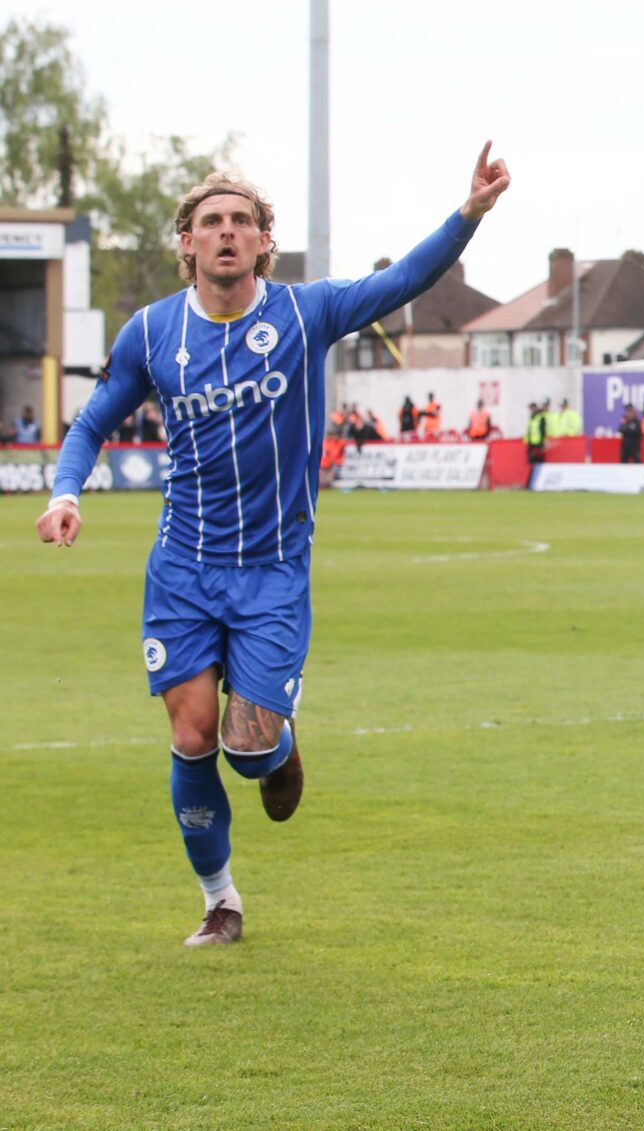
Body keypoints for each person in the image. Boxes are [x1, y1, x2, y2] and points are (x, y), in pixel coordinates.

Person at [34, 145, 509, 945]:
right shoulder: (152, 332)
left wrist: (468, 214)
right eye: (211, 222)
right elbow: (90, 421)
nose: (227, 233)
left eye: (242, 222)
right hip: (182, 566)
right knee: (190, 736)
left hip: (272, 571)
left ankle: (278, 745)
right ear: (186, 241)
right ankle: (221, 900)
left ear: (263, 241)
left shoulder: (304, 312)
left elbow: (399, 284)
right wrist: (65, 491)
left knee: (249, 755)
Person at [524, 401, 548, 467]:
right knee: (531, 461)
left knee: (539, 460)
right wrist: (528, 441)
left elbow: (543, 430)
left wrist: (543, 442)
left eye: (532, 408)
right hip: (532, 443)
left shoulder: (540, 417)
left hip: (538, 443)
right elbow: (529, 431)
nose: (531, 410)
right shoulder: (532, 418)